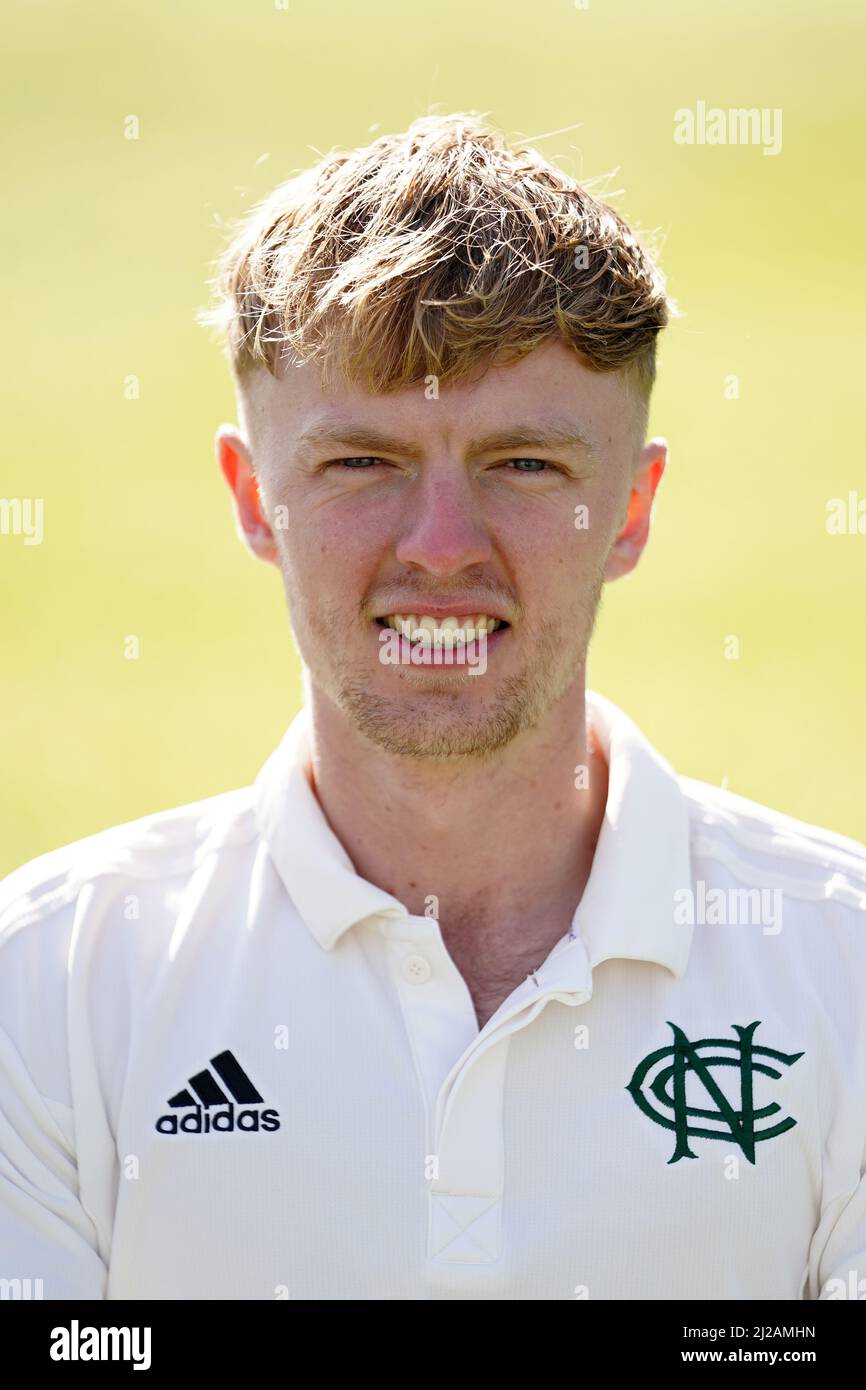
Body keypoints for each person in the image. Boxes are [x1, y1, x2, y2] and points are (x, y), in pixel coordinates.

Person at [1, 113, 864, 1302]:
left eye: (523, 464)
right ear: (254, 496)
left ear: (629, 506)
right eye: (361, 462)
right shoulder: (44, 990)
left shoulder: (844, 972)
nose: (442, 547)